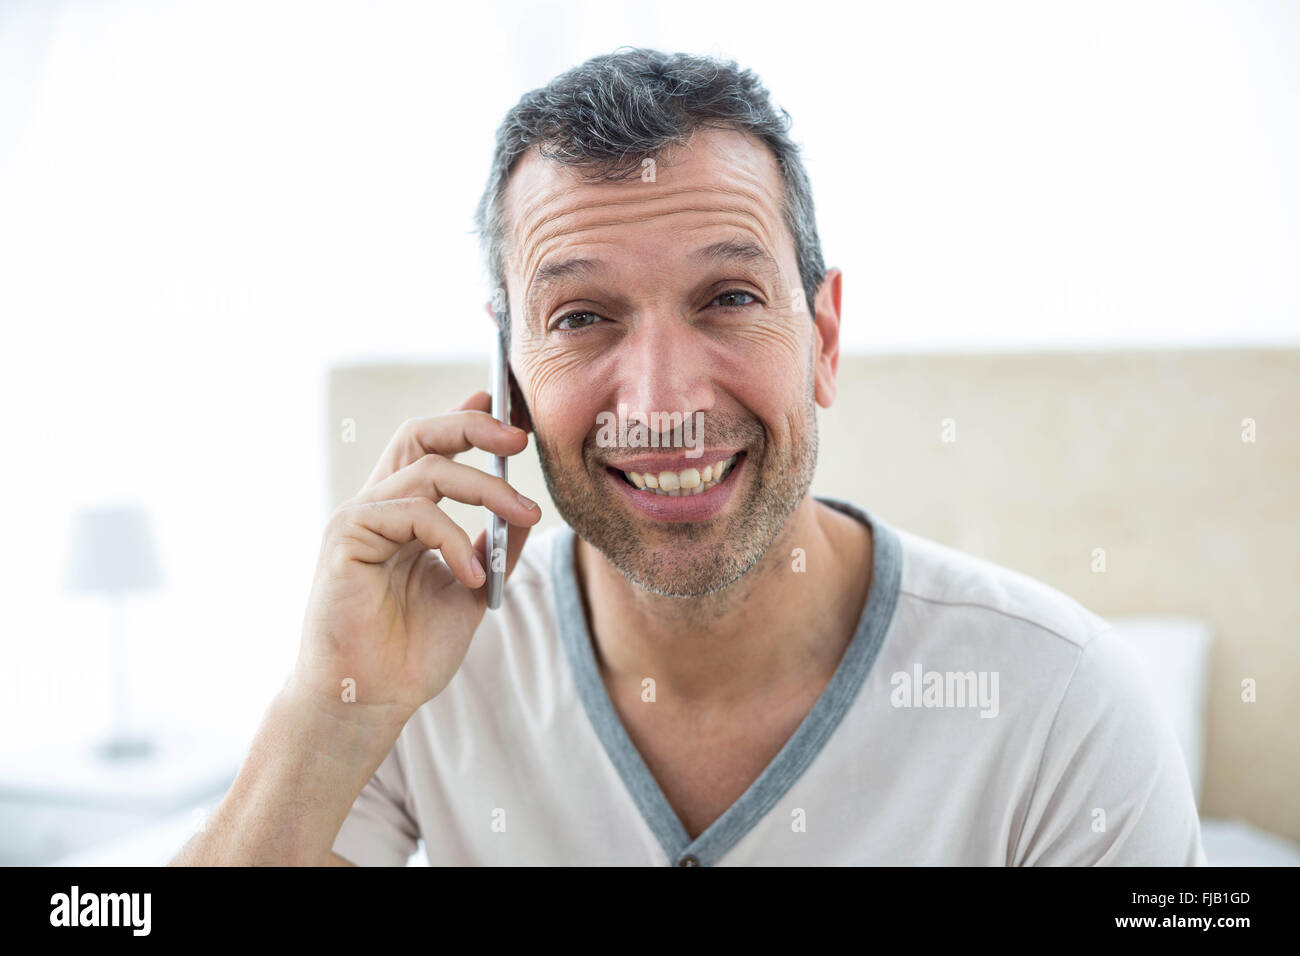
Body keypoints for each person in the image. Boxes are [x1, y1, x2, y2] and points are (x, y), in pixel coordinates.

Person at [172, 47, 1205, 867]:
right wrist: (326, 708)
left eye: (730, 297)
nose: (662, 401)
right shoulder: (429, 667)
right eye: (581, 316)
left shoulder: (1061, 710)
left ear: (824, 338)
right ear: (509, 366)